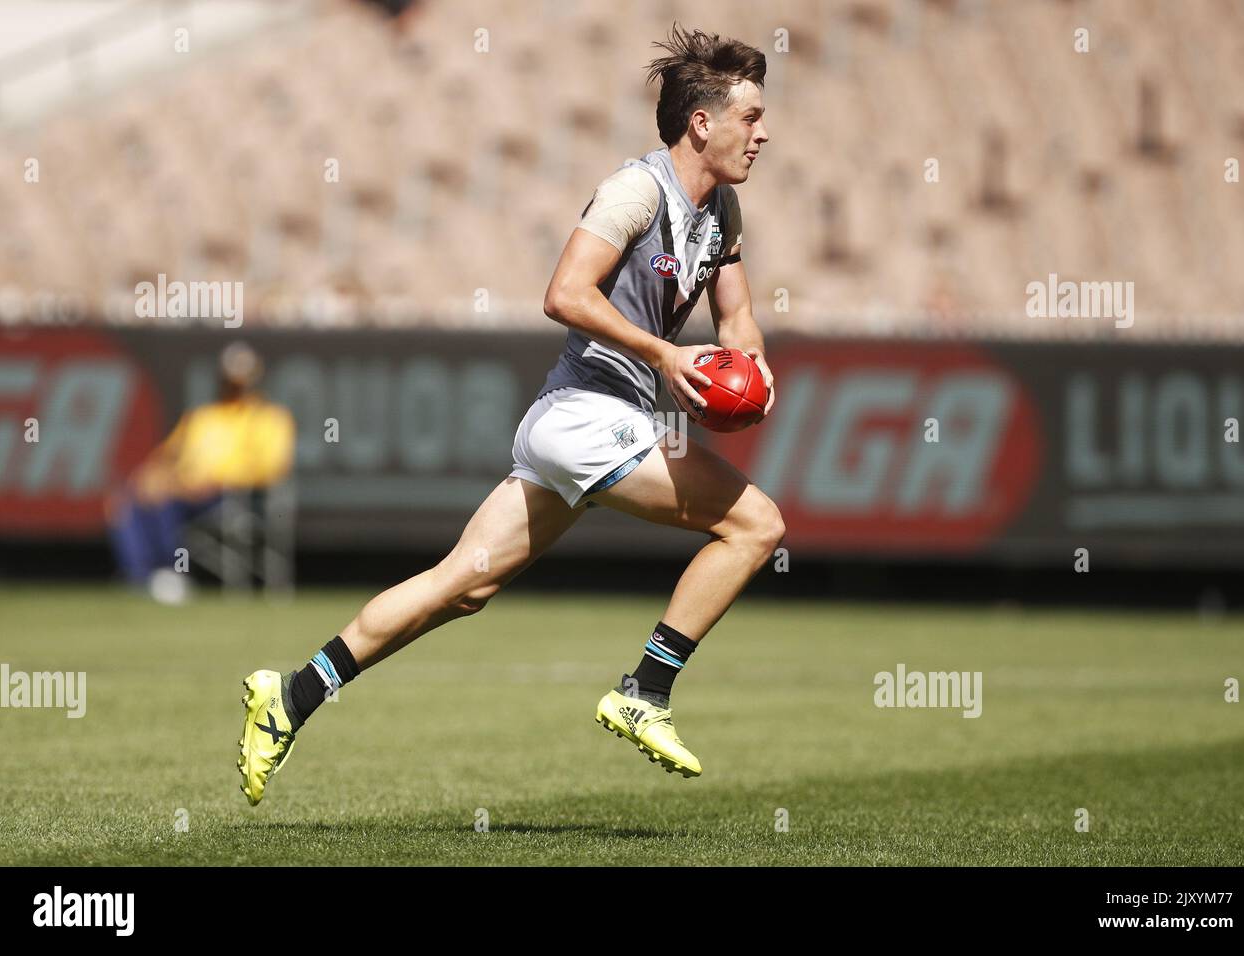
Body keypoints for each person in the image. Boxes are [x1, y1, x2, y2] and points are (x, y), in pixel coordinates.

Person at [238, 24, 780, 805]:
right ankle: (647, 690)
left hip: (584, 423)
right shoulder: (637, 190)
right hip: (588, 413)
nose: (762, 133)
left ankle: (288, 697)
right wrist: (664, 356)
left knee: (460, 586)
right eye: (751, 116)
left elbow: (738, 321)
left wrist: (753, 362)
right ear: (703, 122)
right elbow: (564, 294)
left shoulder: (721, 214)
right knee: (757, 525)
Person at [107, 342, 294, 603]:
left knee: (166, 503)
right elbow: (167, 456)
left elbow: (272, 468)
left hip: (235, 496)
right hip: (187, 490)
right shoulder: (202, 417)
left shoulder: (270, 419)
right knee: (130, 499)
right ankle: (143, 576)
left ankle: (172, 574)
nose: (236, 385)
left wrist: (218, 481)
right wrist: (153, 476)